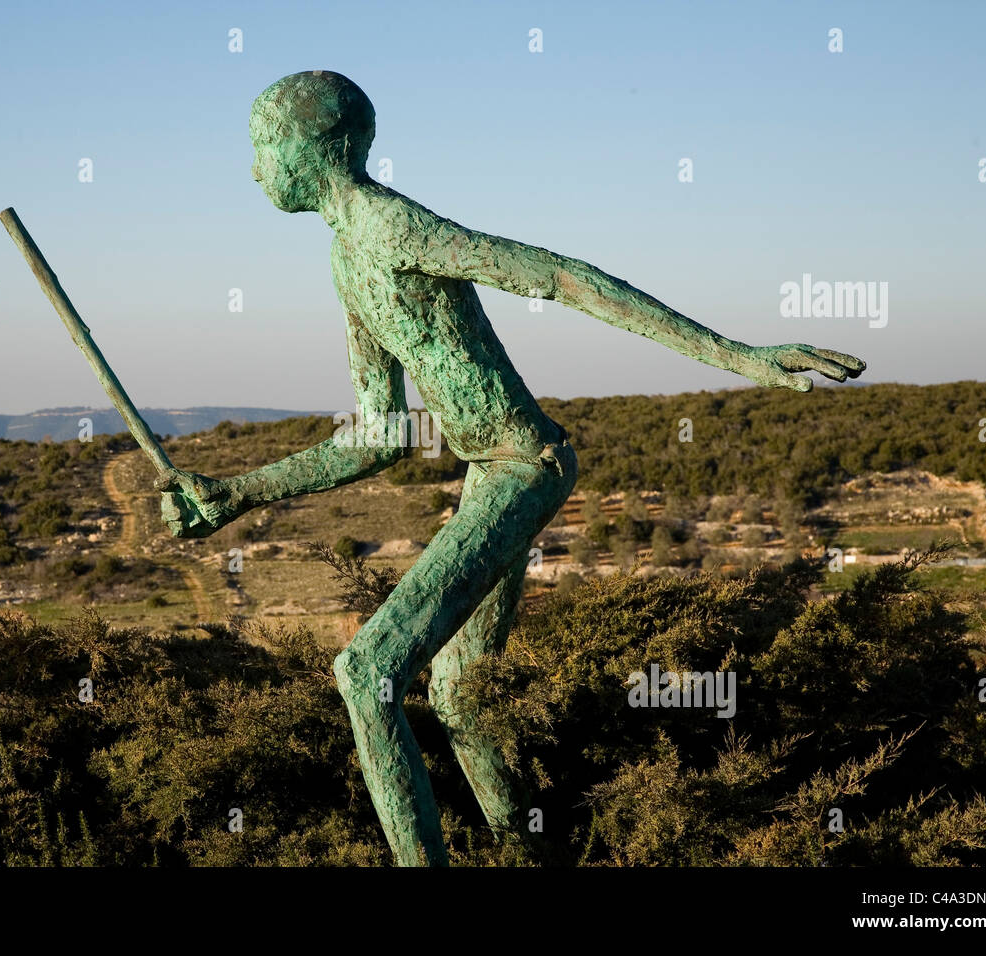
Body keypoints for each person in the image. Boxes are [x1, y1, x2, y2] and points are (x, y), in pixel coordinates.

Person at [155, 70, 865, 866]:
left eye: (263, 145)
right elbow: (378, 437)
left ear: (328, 147)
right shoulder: (345, 259)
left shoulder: (393, 228)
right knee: (457, 693)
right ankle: (530, 851)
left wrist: (736, 355)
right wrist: (232, 494)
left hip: (523, 465)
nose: (254, 168)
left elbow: (560, 276)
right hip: (488, 474)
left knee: (366, 674)